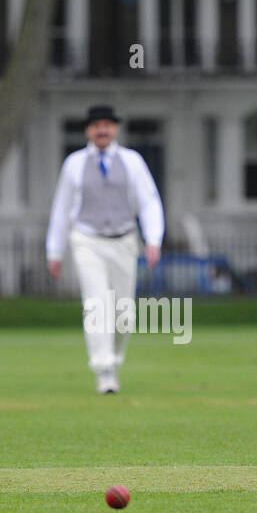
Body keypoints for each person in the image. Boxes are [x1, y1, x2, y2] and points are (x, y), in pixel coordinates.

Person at [46, 104, 165, 393]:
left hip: (124, 239)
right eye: (96, 125)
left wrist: (153, 239)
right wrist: (55, 250)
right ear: (88, 130)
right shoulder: (74, 163)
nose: (102, 130)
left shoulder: (132, 161)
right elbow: (61, 209)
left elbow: (149, 201)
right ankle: (104, 368)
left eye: (107, 125)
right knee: (96, 305)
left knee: (124, 313)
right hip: (87, 239)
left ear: (115, 129)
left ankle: (114, 358)